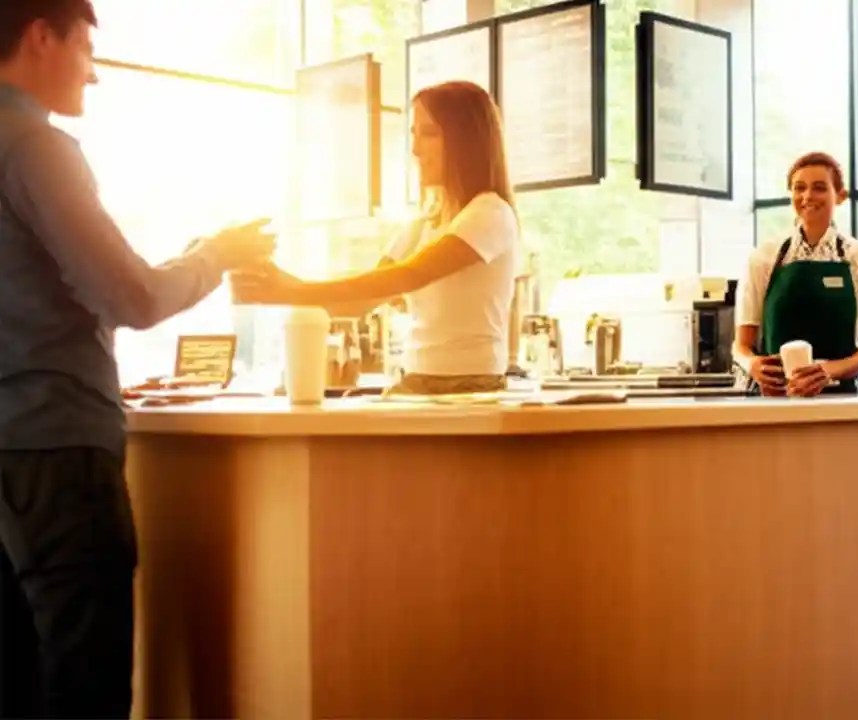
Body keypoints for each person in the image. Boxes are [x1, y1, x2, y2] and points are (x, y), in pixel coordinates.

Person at [0, 1, 276, 716]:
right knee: (82, 681)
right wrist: (216, 256)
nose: (93, 74)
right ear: (40, 36)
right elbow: (132, 297)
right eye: (86, 49)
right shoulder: (35, 147)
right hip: (57, 452)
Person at [232, 80, 520, 396]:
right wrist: (279, 280)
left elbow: (408, 276)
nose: (414, 149)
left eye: (429, 133)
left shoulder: (490, 213)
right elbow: (362, 299)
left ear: (466, 141)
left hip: (471, 387)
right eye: (413, 133)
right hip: (417, 381)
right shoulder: (424, 221)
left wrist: (288, 292)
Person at [733, 152, 858, 397]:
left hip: (841, 401)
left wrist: (829, 370)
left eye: (819, 188)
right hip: (774, 401)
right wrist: (752, 364)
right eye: (799, 188)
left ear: (840, 196)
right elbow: (741, 346)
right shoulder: (763, 258)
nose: (807, 196)